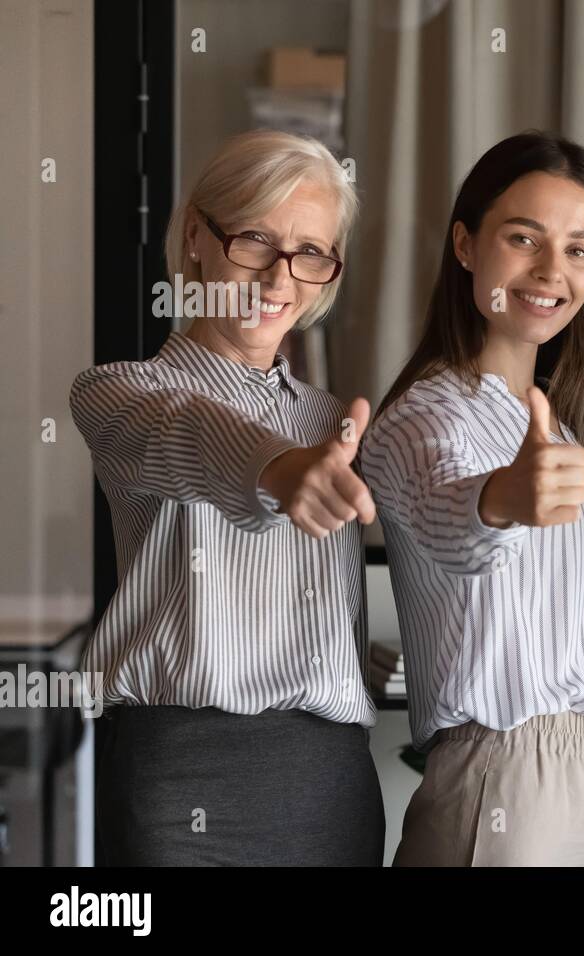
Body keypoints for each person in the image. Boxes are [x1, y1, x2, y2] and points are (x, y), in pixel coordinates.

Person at [70, 129, 384, 865]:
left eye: (309, 252)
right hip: (177, 773)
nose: (280, 279)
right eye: (255, 239)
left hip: (328, 777)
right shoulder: (119, 393)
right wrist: (276, 469)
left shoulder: (331, 418)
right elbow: (192, 435)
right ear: (196, 239)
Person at [361, 132, 584, 866]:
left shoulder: (556, 422)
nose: (554, 269)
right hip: (511, 787)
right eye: (525, 238)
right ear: (466, 245)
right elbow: (451, 514)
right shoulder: (426, 415)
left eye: (579, 249)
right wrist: (501, 503)